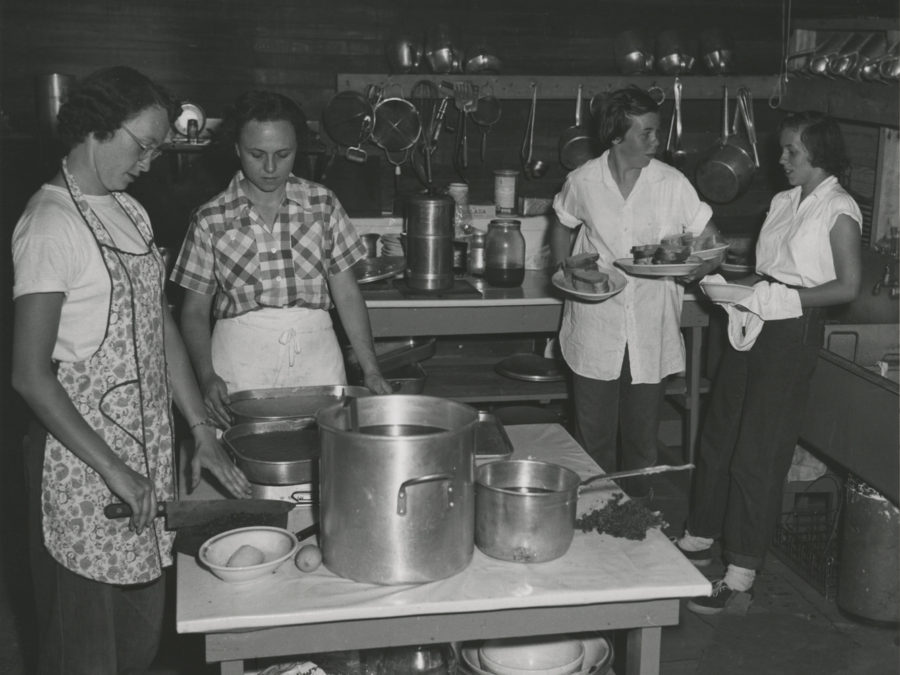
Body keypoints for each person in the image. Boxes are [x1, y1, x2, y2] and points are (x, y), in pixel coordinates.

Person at [11, 66, 252, 675]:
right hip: (79, 467)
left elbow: (161, 322)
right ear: (96, 128)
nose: (148, 161)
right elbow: (29, 375)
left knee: (139, 647)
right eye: (143, 144)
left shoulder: (131, 213)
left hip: (145, 459)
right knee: (82, 654)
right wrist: (116, 471)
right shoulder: (49, 225)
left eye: (157, 147)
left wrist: (199, 428)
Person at [677, 111, 862, 615]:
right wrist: (725, 271)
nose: (781, 160)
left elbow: (847, 286)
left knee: (759, 449)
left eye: (791, 153)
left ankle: (740, 575)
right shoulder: (784, 200)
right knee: (720, 431)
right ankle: (700, 533)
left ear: (819, 155)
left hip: (792, 328)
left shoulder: (838, 209)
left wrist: (782, 301)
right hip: (754, 317)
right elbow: (769, 267)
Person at [171, 90, 391, 427]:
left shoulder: (323, 205)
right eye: (257, 154)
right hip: (239, 365)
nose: (270, 168)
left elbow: (347, 294)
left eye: (283, 154)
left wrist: (371, 369)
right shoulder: (210, 218)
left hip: (317, 358)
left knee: (322, 458)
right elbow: (195, 311)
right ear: (236, 149)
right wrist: (206, 375)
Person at [550, 86, 720, 496]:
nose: (656, 141)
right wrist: (567, 266)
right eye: (645, 133)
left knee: (642, 445)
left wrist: (694, 269)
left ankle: (639, 534)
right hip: (595, 328)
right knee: (593, 443)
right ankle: (593, 525)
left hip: (650, 328)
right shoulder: (583, 181)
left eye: (656, 131)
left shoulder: (672, 183)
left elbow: (711, 243)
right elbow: (561, 222)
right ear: (616, 136)